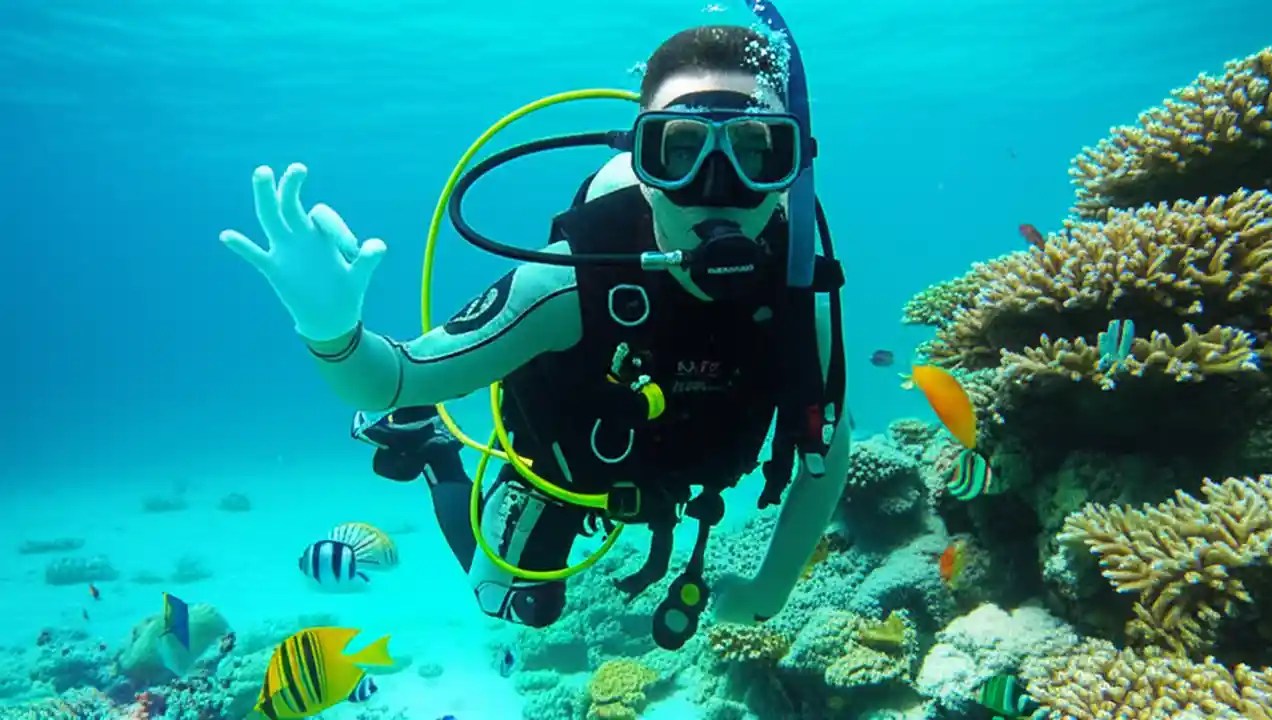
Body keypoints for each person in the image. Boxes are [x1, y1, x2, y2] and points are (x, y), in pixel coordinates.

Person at [220, 13, 851, 650]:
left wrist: (769, 592)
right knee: (508, 604)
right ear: (642, 163)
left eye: (756, 151)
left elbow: (826, 455)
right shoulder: (568, 285)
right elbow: (392, 381)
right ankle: (437, 452)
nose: (717, 188)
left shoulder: (801, 300)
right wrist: (331, 330)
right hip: (564, 468)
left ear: (791, 168)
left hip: (678, 473)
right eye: (680, 150)